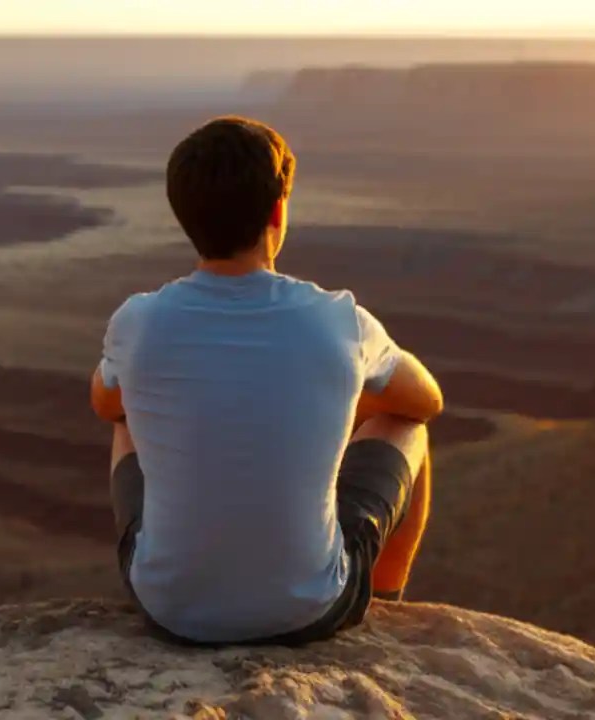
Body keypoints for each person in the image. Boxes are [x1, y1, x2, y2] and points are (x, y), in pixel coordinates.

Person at [90, 116, 443, 645]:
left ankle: (185, 571)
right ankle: (382, 600)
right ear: (278, 208)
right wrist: (341, 398)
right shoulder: (339, 319)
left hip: (170, 610)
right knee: (407, 428)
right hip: (307, 611)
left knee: (128, 421)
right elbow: (425, 401)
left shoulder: (138, 322)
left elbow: (105, 403)